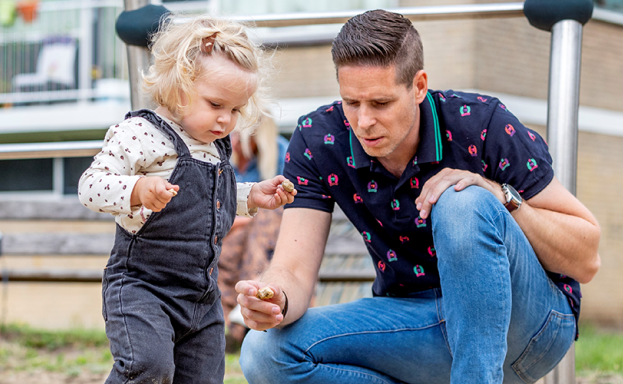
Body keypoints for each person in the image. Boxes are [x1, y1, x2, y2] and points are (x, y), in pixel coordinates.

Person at [235, 10, 601, 384]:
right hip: (417, 323)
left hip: (525, 325)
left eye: (380, 103)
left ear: (419, 86)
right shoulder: (319, 137)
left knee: (463, 201)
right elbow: (293, 269)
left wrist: (497, 194)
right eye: (352, 103)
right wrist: (275, 297)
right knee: (264, 353)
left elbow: (587, 259)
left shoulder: (482, 124)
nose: (363, 122)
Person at [78, 15, 296, 384]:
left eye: (236, 110)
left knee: (204, 378)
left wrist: (251, 195)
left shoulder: (213, 147)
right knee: (148, 368)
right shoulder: (140, 134)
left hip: (201, 298)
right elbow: (90, 186)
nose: (226, 120)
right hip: (142, 288)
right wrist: (136, 190)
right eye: (216, 104)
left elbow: (209, 199)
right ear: (179, 86)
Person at [218, 116, 290, 349]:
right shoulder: (225, 157)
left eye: (239, 135)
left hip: (272, 230)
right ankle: (231, 320)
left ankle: (236, 322)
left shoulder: (279, 152)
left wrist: (237, 218)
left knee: (261, 224)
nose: (234, 140)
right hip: (237, 231)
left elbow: (281, 206)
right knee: (233, 242)